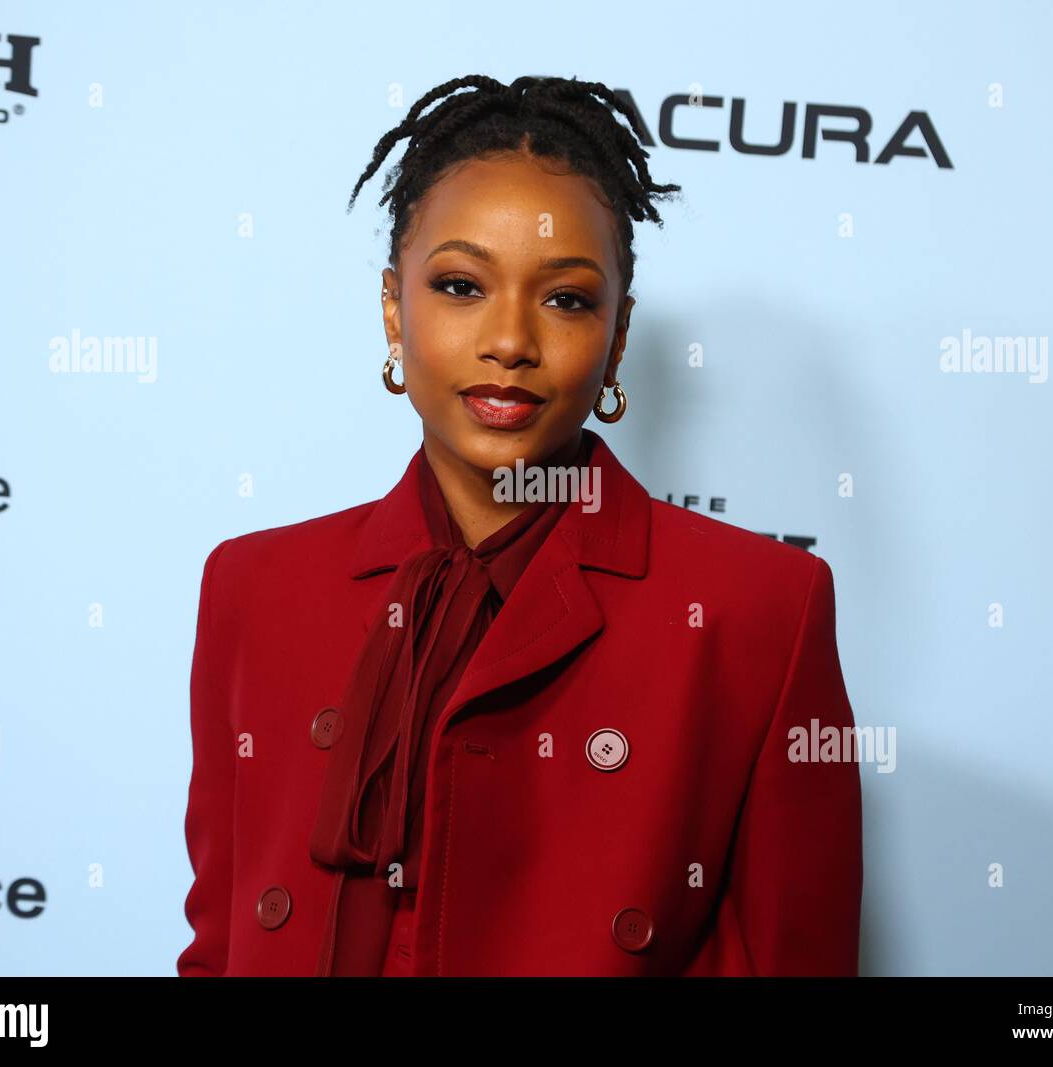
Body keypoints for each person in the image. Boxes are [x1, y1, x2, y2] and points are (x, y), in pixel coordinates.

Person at [177, 74, 862, 977]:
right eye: (461, 285)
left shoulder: (758, 613)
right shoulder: (257, 589)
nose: (509, 340)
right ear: (394, 310)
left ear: (618, 337)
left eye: (567, 299)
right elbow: (221, 948)